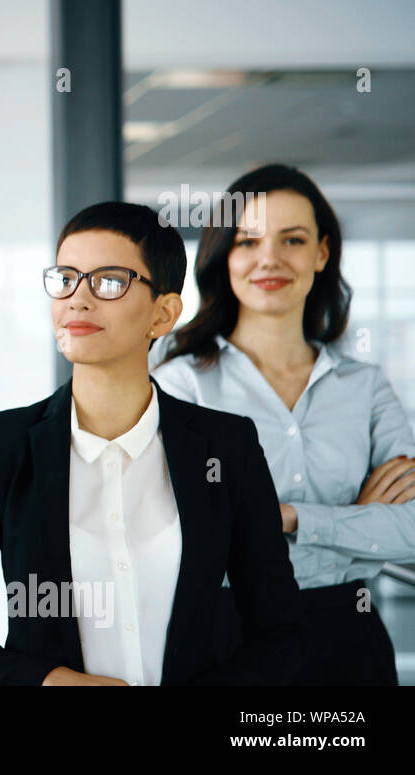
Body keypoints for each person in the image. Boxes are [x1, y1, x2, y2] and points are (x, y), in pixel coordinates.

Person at [0, 201, 303, 685]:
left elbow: (278, 631)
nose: (77, 299)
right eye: (66, 278)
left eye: (110, 281)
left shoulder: (227, 446)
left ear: (163, 313)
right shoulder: (1, 446)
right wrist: (50, 682)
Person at [152, 163, 415, 685]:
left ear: (321, 252)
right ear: (223, 255)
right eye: (248, 241)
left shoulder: (364, 386)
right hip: (228, 639)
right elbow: (185, 538)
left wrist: (290, 517)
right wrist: (353, 522)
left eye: (292, 239)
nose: (269, 258)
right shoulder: (181, 384)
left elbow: (408, 530)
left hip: (349, 638)